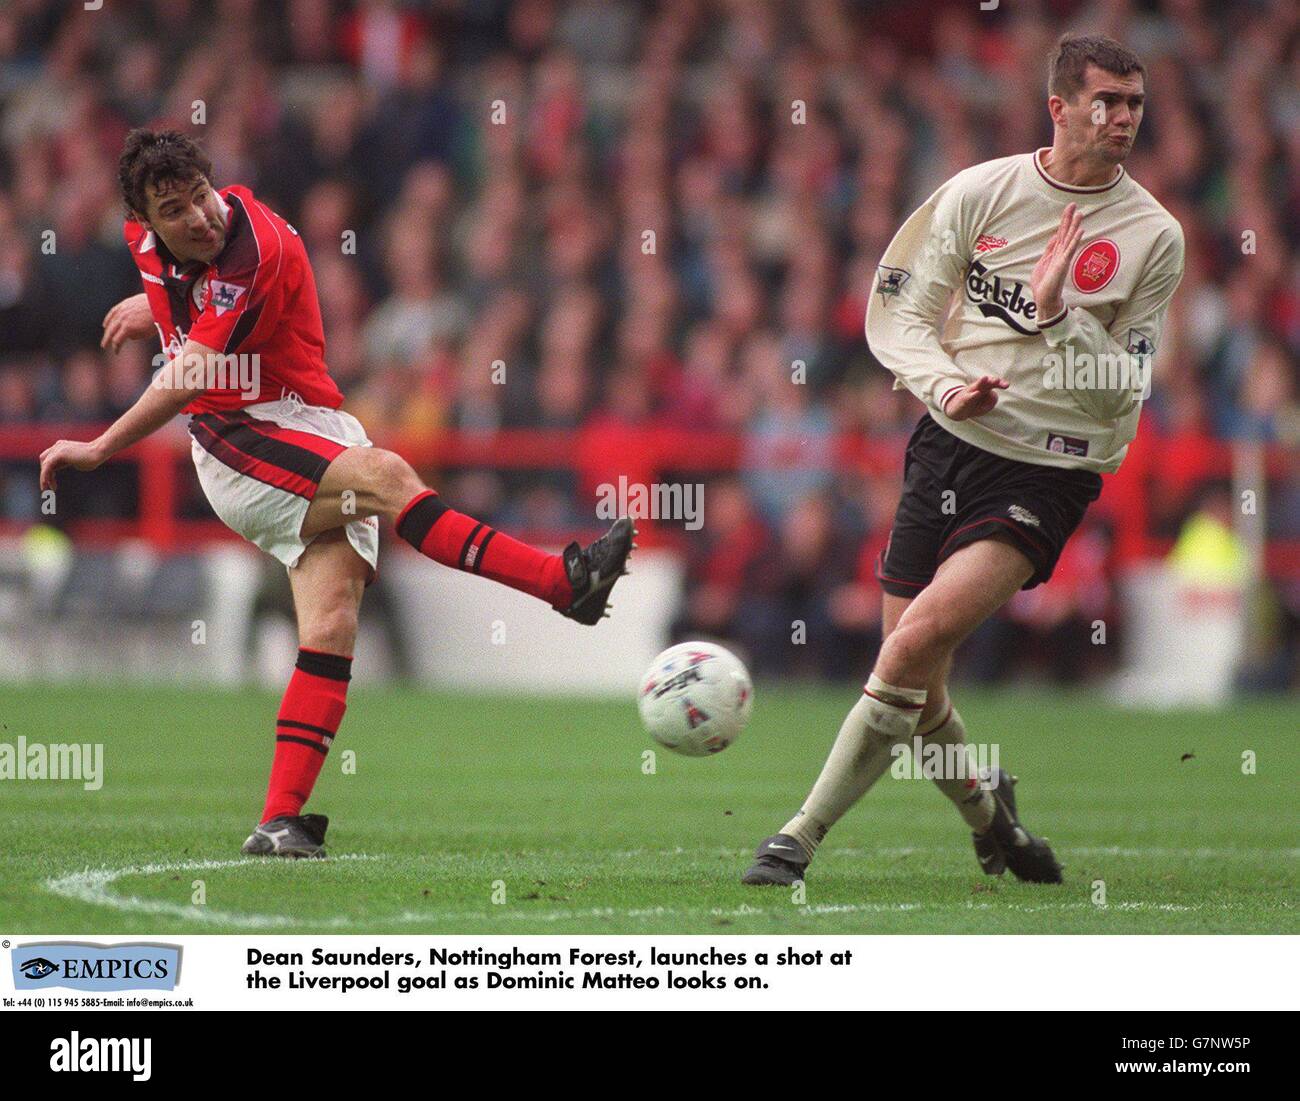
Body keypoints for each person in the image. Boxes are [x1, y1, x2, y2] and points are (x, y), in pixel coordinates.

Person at [39, 129, 634, 860]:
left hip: (304, 422)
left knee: (331, 622)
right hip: (239, 441)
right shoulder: (147, 239)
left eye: (199, 194)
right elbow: (191, 366)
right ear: (146, 220)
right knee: (386, 478)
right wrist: (125, 380)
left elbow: (195, 329)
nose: (197, 216)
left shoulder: (255, 248)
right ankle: (561, 581)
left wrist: (149, 335)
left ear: (212, 181)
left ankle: (278, 820)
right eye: (174, 209)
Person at [743, 34, 1184, 887]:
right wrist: (946, 387)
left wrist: (1057, 313)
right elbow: (898, 314)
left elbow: (1121, 395)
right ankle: (999, 823)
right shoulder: (981, 192)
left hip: (1048, 467)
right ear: (1058, 108)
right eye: (1107, 102)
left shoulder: (1151, 235)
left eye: (1134, 103)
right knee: (918, 685)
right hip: (948, 444)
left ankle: (796, 839)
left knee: (912, 647)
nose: (1124, 118)